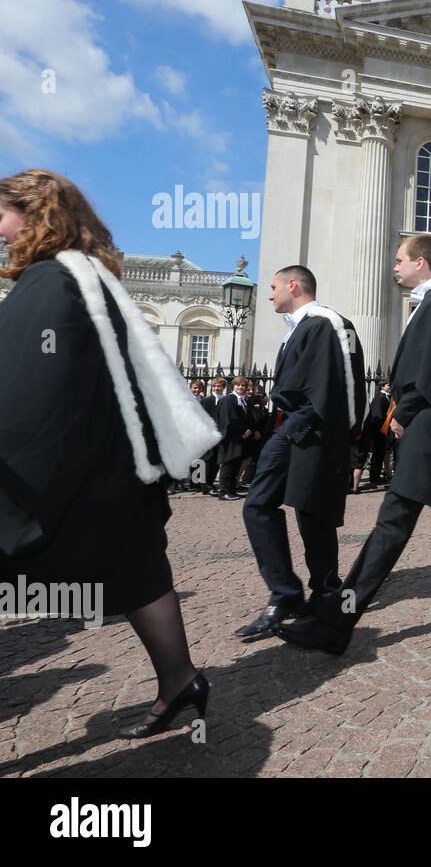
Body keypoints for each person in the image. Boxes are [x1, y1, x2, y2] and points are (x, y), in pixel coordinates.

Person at [0, 168, 219, 739]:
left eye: (3, 214)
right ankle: (179, 679)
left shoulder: (50, 281)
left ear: (35, 213)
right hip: (119, 470)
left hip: (72, 470)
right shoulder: (93, 276)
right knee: (138, 567)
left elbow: (27, 387)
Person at [273, 234, 431, 655]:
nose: (394, 267)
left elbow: (421, 371)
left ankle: (337, 623)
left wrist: (403, 414)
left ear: (421, 262)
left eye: (400, 260)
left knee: (392, 523)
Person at [236, 264, 366, 640]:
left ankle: (316, 592)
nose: (270, 293)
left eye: (274, 287)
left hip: (311, 431)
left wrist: (301, 432)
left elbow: (341, 387)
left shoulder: (326, 323)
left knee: (308, 513)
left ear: (293, 285)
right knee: (272, 507)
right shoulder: (300, 329)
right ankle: (297, 592)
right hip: (296, 429)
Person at [215, 376, 254, 500]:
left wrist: (248, 430)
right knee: (228, 465)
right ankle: (224, 491)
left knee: (235, 465)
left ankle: (231, 490)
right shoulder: (229, 400)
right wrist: (243, 431)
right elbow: (228, 420)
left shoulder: (243, 401)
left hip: (240, 438)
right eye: (238, 385)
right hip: (230, 438)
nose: (240, 387)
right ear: (233, 387)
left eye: (243, 385)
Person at [200, 378, 225, 496]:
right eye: (214, 386)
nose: (216, 388)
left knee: (216, 460)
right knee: (207, 459)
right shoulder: (205, 401)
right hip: (208, 433)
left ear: (223, 387)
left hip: (220, 435)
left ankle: (210, 483)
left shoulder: (225, 400)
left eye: (219, 386)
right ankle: (205, 485)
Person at [366, 381, 393, 487]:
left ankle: (376, 475)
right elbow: (377, 415)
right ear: (382, 386)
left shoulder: (386, 397)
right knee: (377, 454)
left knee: (380, 454)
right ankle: (374, 477)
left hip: (383, 430)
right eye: (388, 385)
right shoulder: (380, 398)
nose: (389, 387)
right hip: (379, 431)